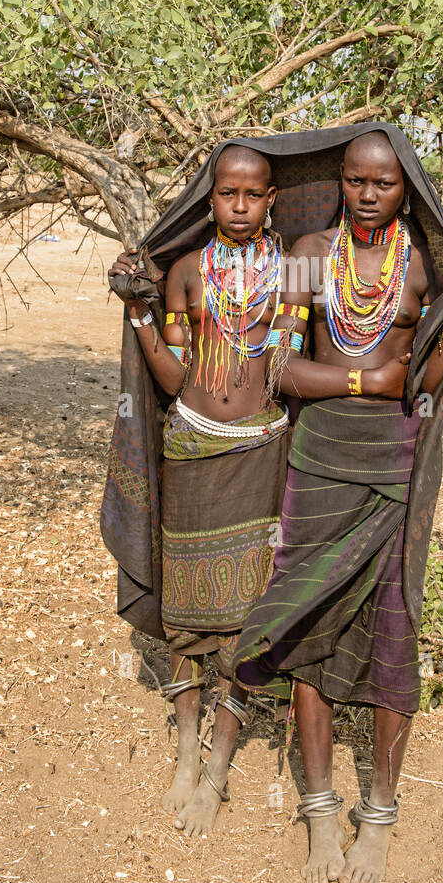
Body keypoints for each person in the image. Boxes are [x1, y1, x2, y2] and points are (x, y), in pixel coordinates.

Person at [233, 129, 443, 883]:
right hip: (319, 464)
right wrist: (359, 384)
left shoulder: (420, 266)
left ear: (405, 189)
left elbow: (427, 380)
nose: (368, 194)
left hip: (394, 467)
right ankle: (317, 809)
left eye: (383, 183)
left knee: (391, 627)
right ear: (340, 181)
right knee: (308, 624)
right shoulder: (310, 253)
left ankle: (377, 816)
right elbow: (279, 367)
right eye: (355, 180)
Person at [106, 145, 290, 838]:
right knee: (184, 611)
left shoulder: (294, 271)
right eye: (225, 195)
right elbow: (173, 378)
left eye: (252, 195)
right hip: (190, 444)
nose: (238, 207)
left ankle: (217, 765)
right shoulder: (186, 274)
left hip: (260, 452)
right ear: (209, 199)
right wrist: (139, 314)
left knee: (246, 613)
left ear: (271, 198)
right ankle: (185, 748)